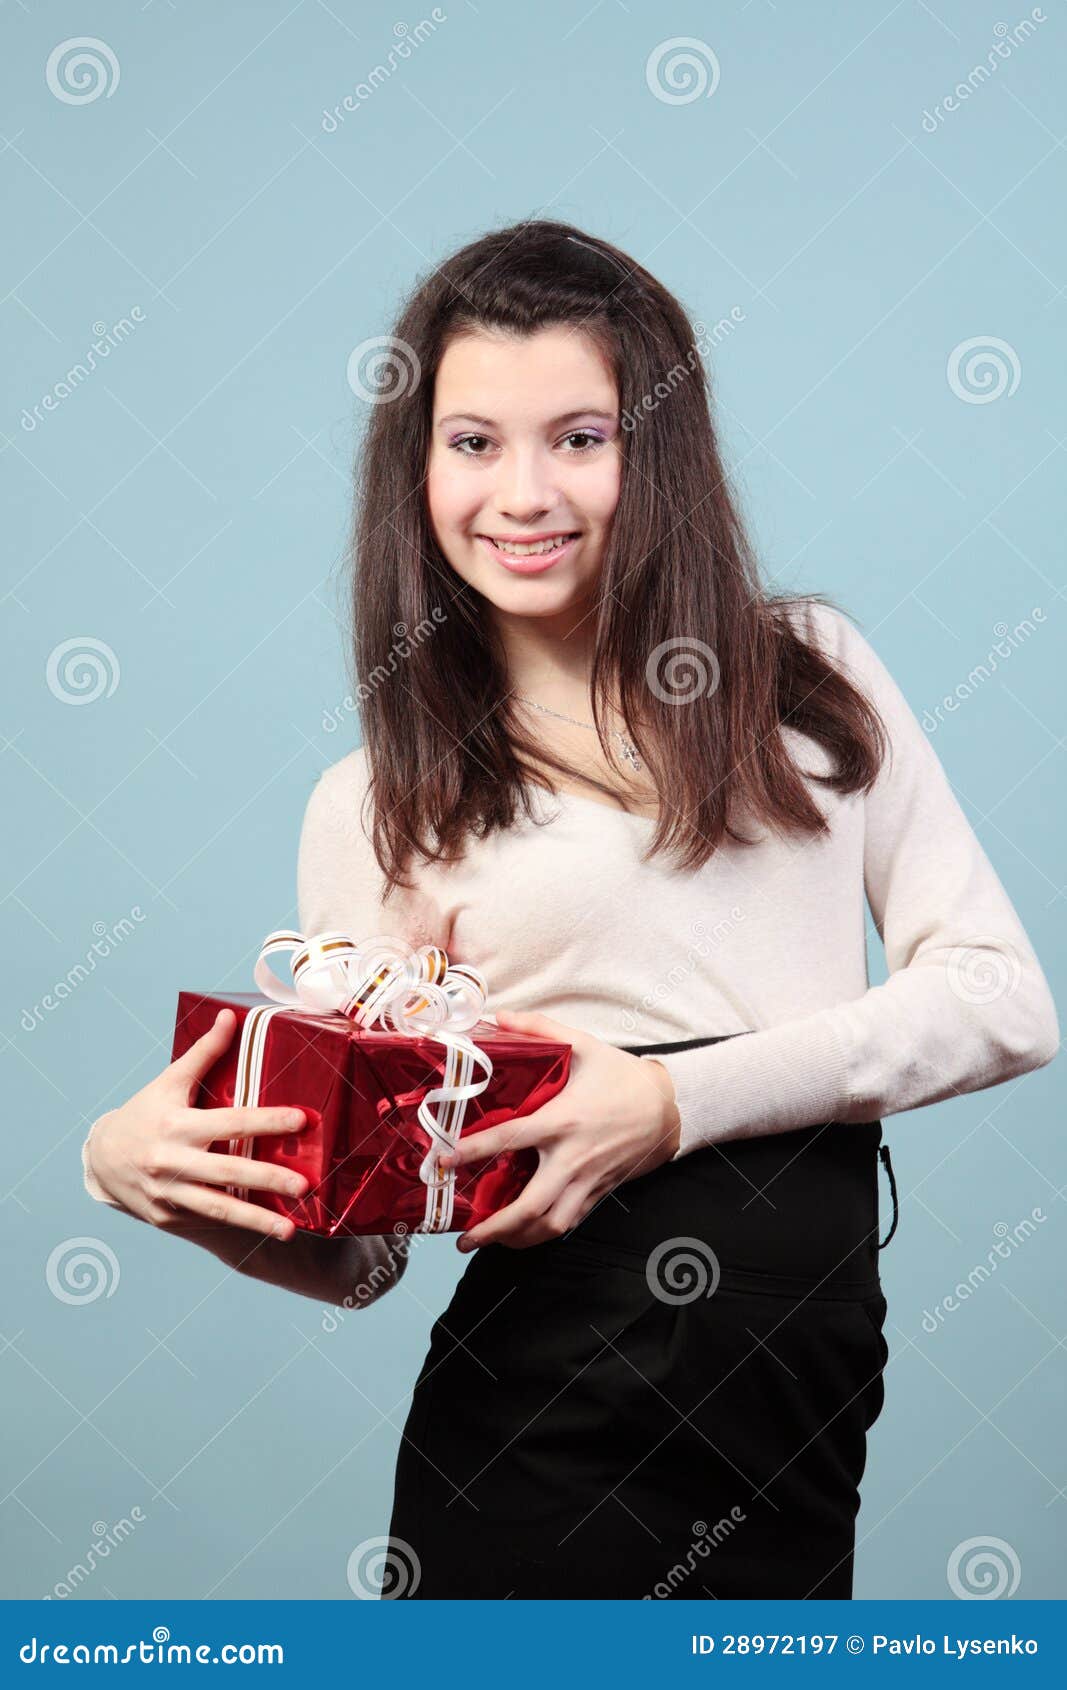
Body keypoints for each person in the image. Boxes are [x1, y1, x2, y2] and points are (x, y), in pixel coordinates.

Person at [82, 219, 1059, 1600]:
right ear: (415, 466)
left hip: (798, 1420)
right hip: (541, 1427)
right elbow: (371, 1246)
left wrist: (669, 1106)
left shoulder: (809, 677)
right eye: (473, 441)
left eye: (580, 436)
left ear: (652, 446)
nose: (523, 490)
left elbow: (1004, 1000)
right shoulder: (378, 802)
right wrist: (181, 1190)